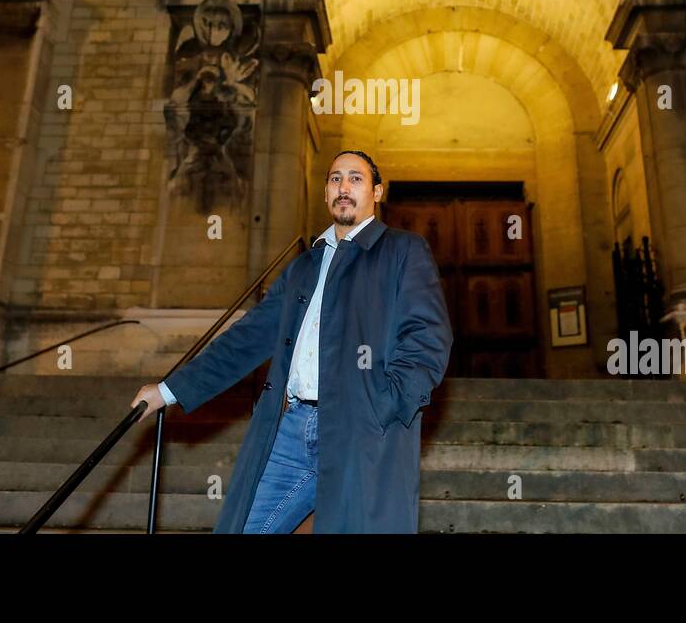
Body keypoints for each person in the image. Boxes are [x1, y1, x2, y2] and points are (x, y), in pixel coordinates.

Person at [131, 149, 452, 533]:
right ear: (326, 193)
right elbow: (247, 337)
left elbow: (428, 337)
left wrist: (384, 404)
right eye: (335, 179)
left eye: (355, 178)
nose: (343, 187)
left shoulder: (402, 251)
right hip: (293, 426)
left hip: (360, 429)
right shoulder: (302, 268)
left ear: (377, 192)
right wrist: (168, 391)